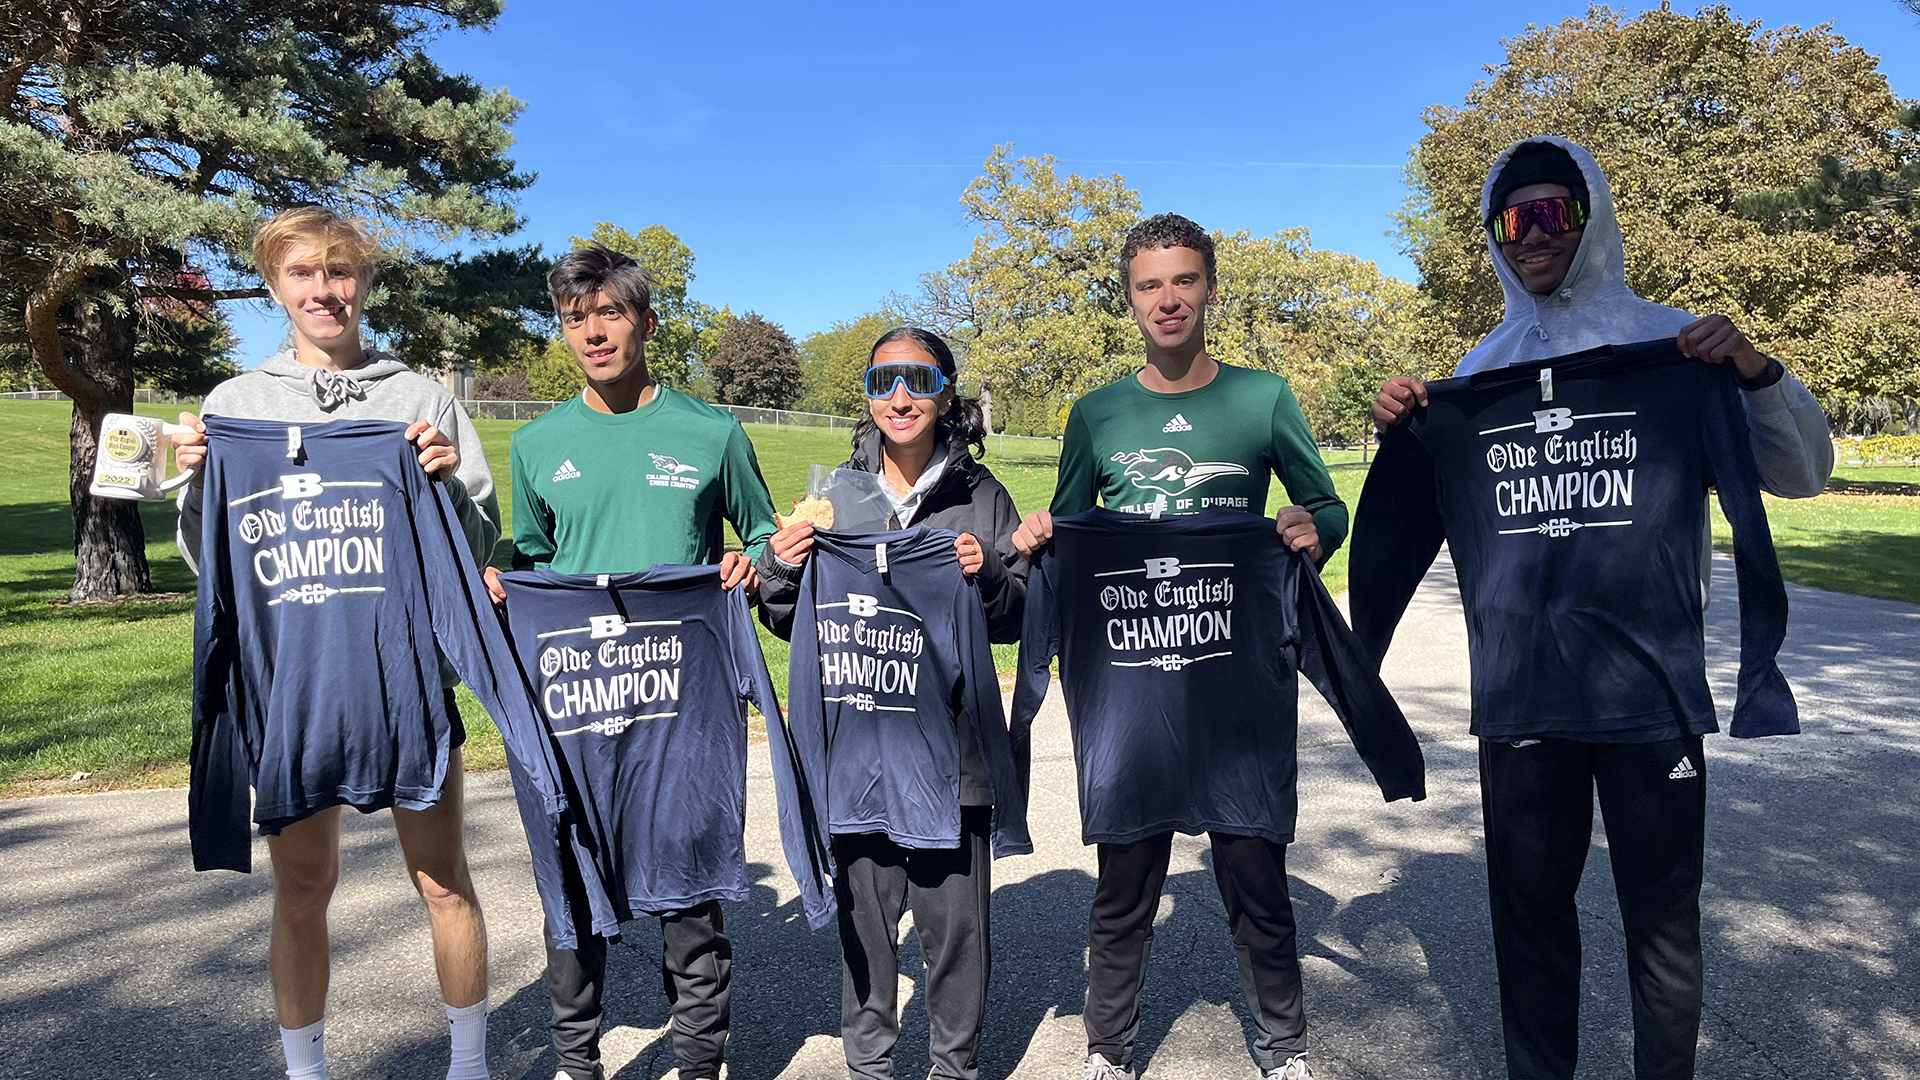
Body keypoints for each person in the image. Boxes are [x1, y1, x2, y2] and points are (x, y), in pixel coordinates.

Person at [1369, 136, 1835, 1080]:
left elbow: (1805, 472)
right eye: (1514, 219)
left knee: (1663, 936)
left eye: (1553, 212)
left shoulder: (1677, 347)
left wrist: (1753, 370)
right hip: (1524, 702)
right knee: (1529, 930)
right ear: (1494, 237)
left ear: (1590, 220)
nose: (1533, 235)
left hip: (1649, 695)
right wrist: (1411, 423)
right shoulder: (1481, 367)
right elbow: (1409, 519)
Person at [170, 206, 500, 1080]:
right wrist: (201, 479)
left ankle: (469, 1066)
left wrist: (447, 487)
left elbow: (476, 548)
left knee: (442, 881)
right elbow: (209, 558)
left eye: (341, 271)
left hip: (403, 681)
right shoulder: (234, 404)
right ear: (275, 284)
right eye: (304, 273)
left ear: (365, 281)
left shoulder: (420, 399)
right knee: (303, 888)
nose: (326, 290)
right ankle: (304, 1072)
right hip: (293, 686)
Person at [1010, 213, 1341, 1080]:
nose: (1168, 299)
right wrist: (1043, 530)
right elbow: (1070, 525)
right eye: (1150, 284)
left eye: (1184, 281)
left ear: (1210, 289)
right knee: (1125, 880)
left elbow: (1328, 508)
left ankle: (1285, 1046)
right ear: (1129, 299)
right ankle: (1107, 1049)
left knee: (1254, 870)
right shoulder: (1097, 413)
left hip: (1236, 677)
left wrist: (1314, 530)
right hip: (1131, 682)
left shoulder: (1262, 397)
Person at [480, 243, 775, 1080]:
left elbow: (762, 532)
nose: (593, 332)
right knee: (574, 886)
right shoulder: (540, 444)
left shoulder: (711, 432)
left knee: (687, 887)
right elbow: (531, 553)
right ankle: (577, 1060)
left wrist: (752, 565)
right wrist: (505, 572)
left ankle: (699, 1059)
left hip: (681, 699)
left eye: (610, 313)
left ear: (645, 321)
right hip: (575, 699)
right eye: (576, 319)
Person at [756, 326, 1026, 1080]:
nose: (899, 397)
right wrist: (781, 564)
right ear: (868, 398)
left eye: (916, 379)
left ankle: (954, 1068)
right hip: (858, 753)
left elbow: (1017, 617)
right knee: (866, 931)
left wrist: (988, 580)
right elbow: (786, 617)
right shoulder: (833, 496)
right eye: (882, 383)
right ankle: (868, 1066)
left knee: (956, 933)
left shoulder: (981, 497)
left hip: (954, 757)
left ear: (945, 391)